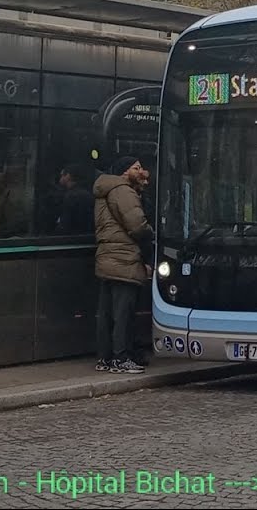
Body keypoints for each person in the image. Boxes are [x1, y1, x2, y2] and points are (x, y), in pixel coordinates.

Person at [93, 156, 154, 373]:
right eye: (136, 167)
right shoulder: (123, 191)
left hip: (107, 257)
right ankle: (121, 357)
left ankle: (105, 357)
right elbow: (137, 225)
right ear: (124, 171)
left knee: (107, 313)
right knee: (123, 314)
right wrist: (151, 234)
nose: (141, 171)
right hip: (124, 259)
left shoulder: (105, 190)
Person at [56, 164, 95, 235]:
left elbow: (66, 223)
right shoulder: (88, 193)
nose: (60, 179)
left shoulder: (72, 196)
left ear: (68, 176)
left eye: (62, 175)